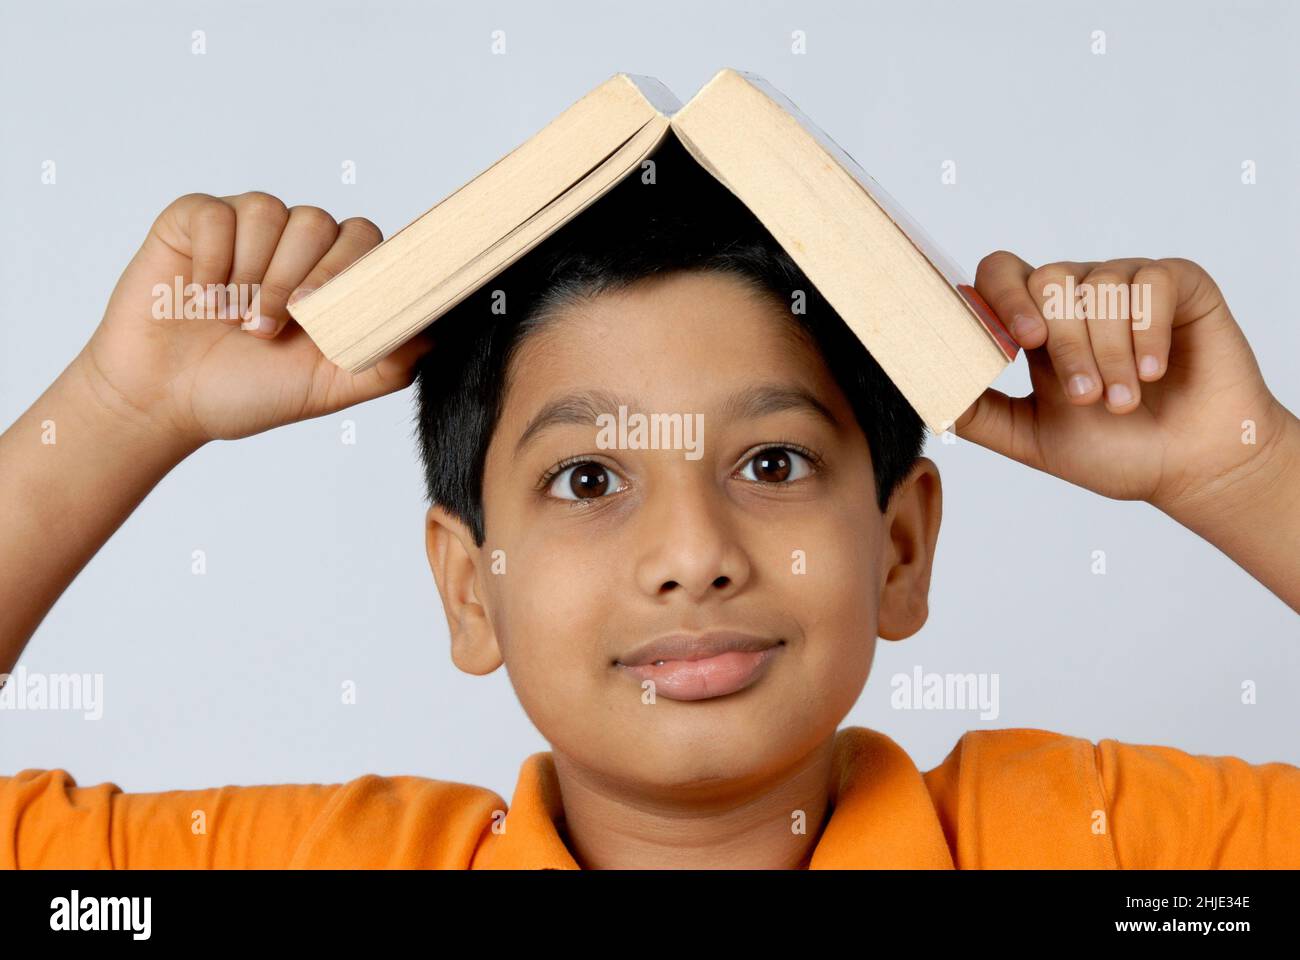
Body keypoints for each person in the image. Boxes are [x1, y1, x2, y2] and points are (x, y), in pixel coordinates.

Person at [1, 139, 1296, 869]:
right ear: (470, 588)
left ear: (900, 548)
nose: (693, 556)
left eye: (773, 463)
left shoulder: (1113, 854)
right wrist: (122, 409)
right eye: (587, 480)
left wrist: (1245, 471)